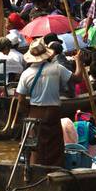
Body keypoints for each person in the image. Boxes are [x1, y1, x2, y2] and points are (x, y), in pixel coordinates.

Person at [15, 40, 74, 168]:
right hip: (53, 111)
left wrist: (28, 112)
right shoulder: (57, 68)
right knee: (55, 144)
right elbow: (78, 78)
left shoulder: (26, 74)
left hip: (35, 112)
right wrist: (79, 62)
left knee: (36, 145)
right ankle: (56, 169)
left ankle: (35, 169)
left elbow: (20, 100)